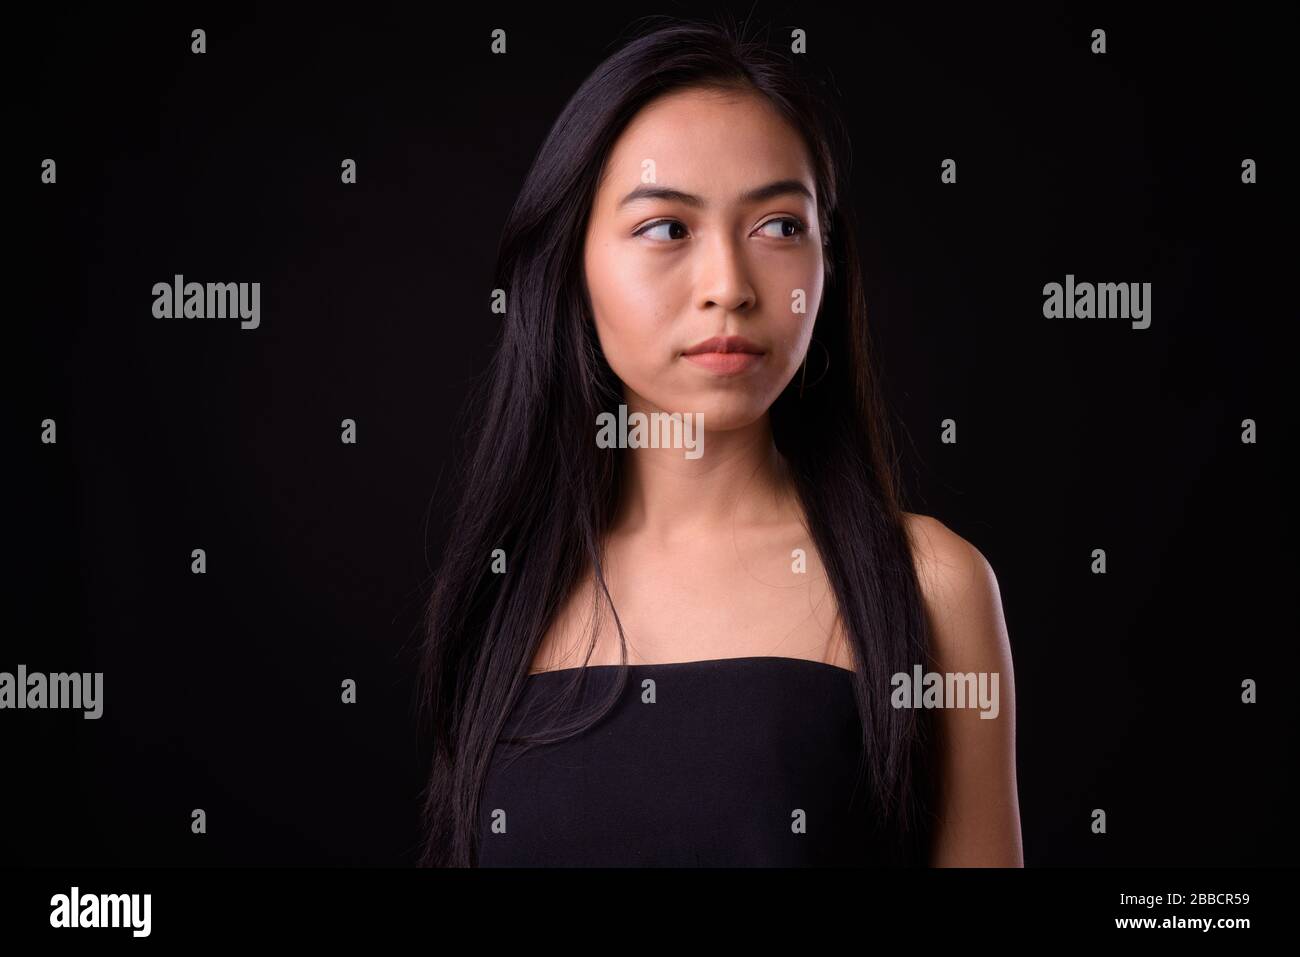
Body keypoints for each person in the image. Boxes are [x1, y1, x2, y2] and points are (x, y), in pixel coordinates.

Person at [416, 17, 1022, 868]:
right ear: (573, 265)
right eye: (666, 228)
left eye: (778, 226)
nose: (729, 288)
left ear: (828, 260)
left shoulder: (928, 585)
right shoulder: (503, 589)